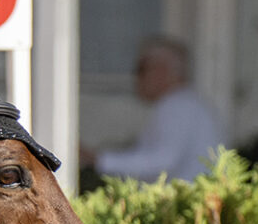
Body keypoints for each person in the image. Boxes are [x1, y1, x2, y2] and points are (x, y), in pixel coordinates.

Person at [82, 35, 224, 183]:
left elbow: (162, 162)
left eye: (142, 68)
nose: (136, 76)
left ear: (161, 70)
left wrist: (98, 159)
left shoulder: (178, 106)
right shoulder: (184, 103)